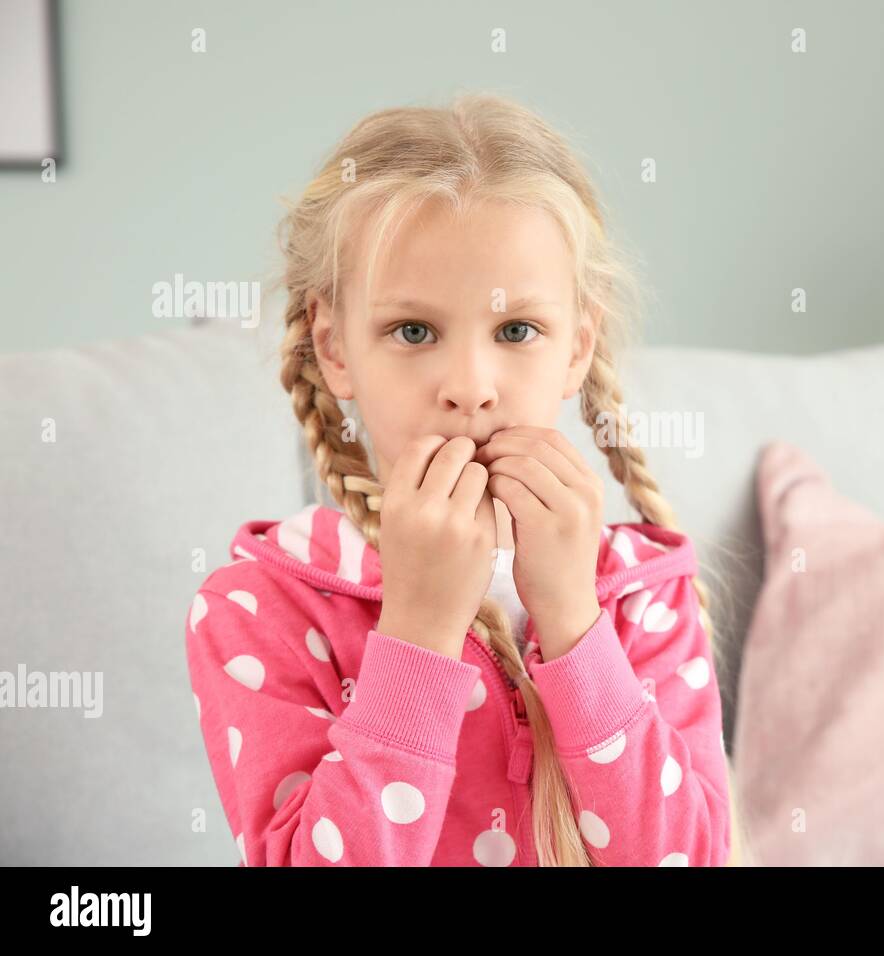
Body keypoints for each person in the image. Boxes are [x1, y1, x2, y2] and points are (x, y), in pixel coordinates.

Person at [184, 92, 747, 866]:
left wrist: (573, 619)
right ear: (335, 347)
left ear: (576, 347)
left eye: (517, 330)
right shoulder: (261, 607)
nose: (471, 387)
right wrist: (418, 630)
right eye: (413, 331)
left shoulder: (642, 594)